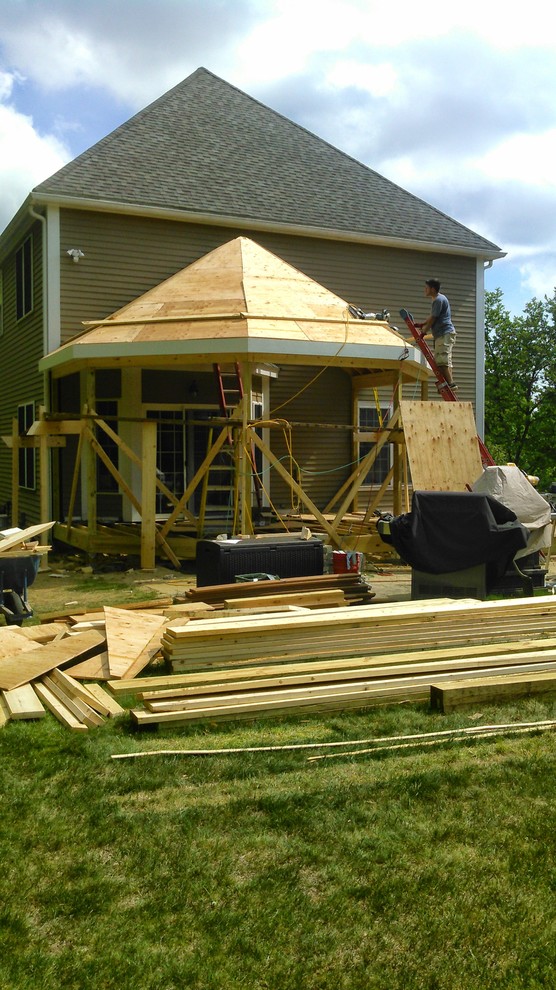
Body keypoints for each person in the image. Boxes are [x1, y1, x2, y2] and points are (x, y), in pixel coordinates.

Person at [415, 278, 457, 388]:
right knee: (445, 360)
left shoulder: (438, 300)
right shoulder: (437, 299)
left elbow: (433, 318)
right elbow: (432, 316)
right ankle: (449, 384)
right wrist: (423, 323)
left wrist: (423, 332)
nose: (425, 290)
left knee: (441, 361)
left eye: (426, 288)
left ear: (432, 289)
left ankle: (450, 384)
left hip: (444, 333)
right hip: (443, 334)